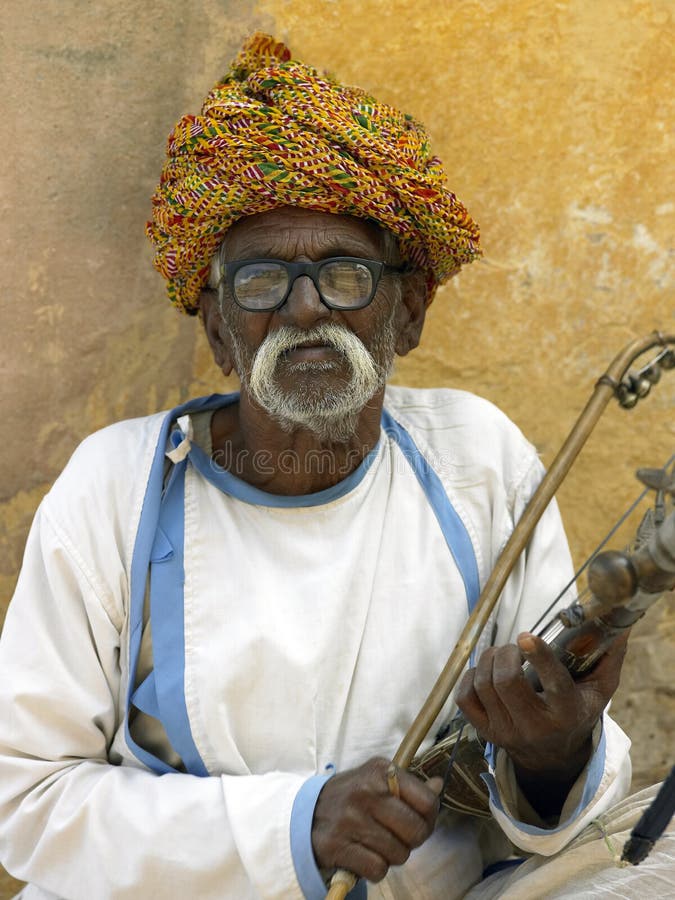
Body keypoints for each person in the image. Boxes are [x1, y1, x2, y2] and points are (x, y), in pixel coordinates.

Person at [0, 32, 668, 900]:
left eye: (345, 274)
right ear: (214, 327)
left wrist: (556, 755)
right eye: (260, 281)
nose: (304, 307)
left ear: (410, 310)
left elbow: (555, 789)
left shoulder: (478, 454)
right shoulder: (116, 485)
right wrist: (295, 826)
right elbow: (25, 799)